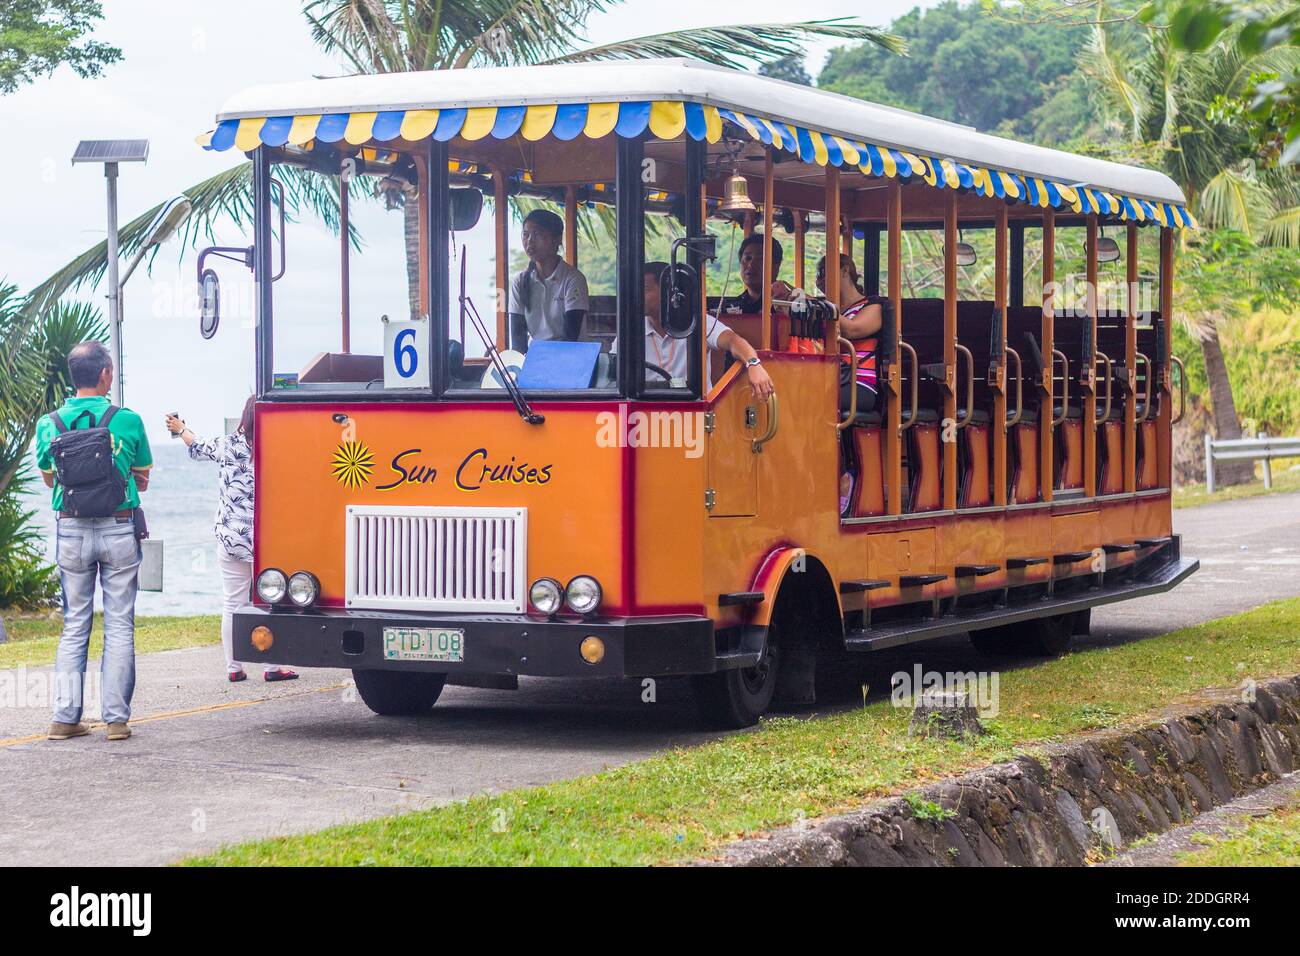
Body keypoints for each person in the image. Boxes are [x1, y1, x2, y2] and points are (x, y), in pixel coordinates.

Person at [35, 341, 151, 742]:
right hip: (118, 528)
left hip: (71, 529)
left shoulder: (49, 423)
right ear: (105, 374)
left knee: (74, 624)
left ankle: (65, 718)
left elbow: (50, 478)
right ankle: (116, 721)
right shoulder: (128, 419)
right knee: (119, 624)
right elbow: (142, 476)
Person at [166, 399, 296, 683]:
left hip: (230, 538)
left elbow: (196, 445)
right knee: (272, 602)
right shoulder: (276, 446)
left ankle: (234, 668)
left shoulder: (227, 444)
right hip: (266, 541)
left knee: (232, 603)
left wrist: (180, 427)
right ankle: (273, 667)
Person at [623, 262, 774, 398]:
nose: (637, 296)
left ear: (667, 292)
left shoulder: (697, 322)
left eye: (644, 289)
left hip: (694, 415)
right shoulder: (632, 329)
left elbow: (733, 340)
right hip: (647, 415)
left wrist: (753, 364)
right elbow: (613, 368)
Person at [507, 209, 589, 352]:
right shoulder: (519, 282)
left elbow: (570, 338)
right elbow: (518, 345)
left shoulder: (572, 279)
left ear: (557, 240)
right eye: (525, 235)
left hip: (571, 359)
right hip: (536, 360)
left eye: (537, 234)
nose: (529, 241)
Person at [817, 253, 883, 415]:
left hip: (859, 385)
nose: (819, 281)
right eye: (818, 275)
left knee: (812, 396)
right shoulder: (827, 309)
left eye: (823, 273)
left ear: (845, 271)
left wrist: (817, 305)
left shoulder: (873, 306)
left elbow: (852, 329)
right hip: (830, 378)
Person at [721, 232, 795, 315]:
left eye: (760, 259)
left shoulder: (792, 304)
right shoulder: (728, 308)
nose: (751, 264)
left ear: (776, 266)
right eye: (748, 258)